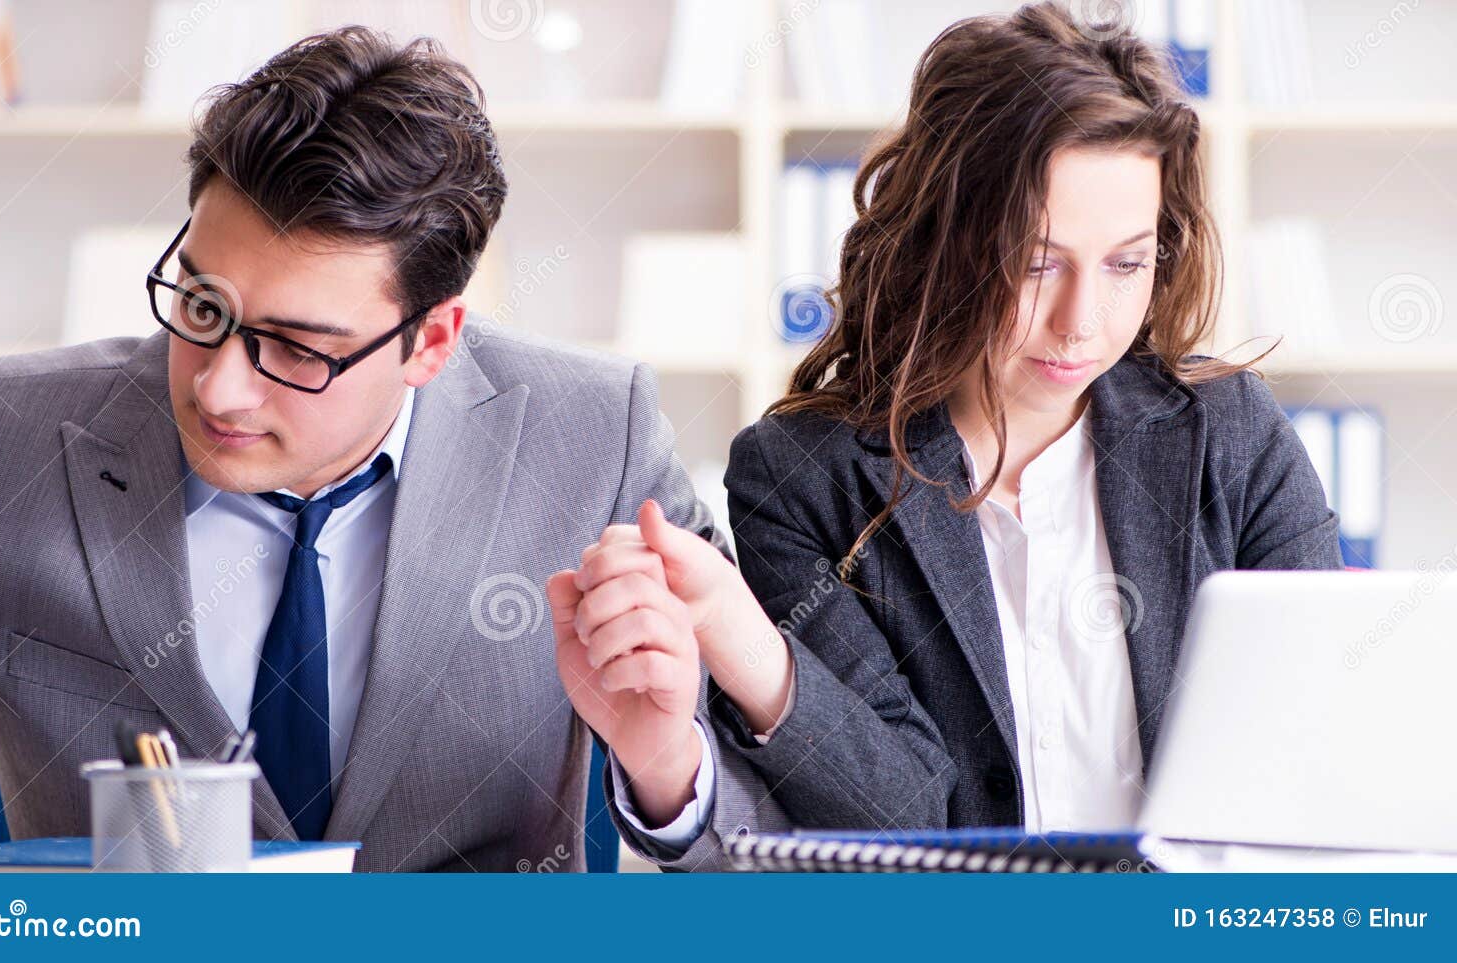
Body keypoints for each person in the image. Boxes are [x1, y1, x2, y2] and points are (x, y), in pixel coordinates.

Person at [0, 27, 776, 872]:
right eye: (203, 306)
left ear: (434, 341)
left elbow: (777, 843)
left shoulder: (595, 442)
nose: (218, 387)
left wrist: (668, 768)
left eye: (298, 348)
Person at [554, 1, 1340, 863]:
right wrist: (740, 636)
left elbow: (1320, 743)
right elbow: (902, 816)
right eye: (1037, 262)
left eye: (1126, 263)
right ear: (947, 241)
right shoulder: (806, 477)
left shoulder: (1231, 437)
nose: (1082, 321)